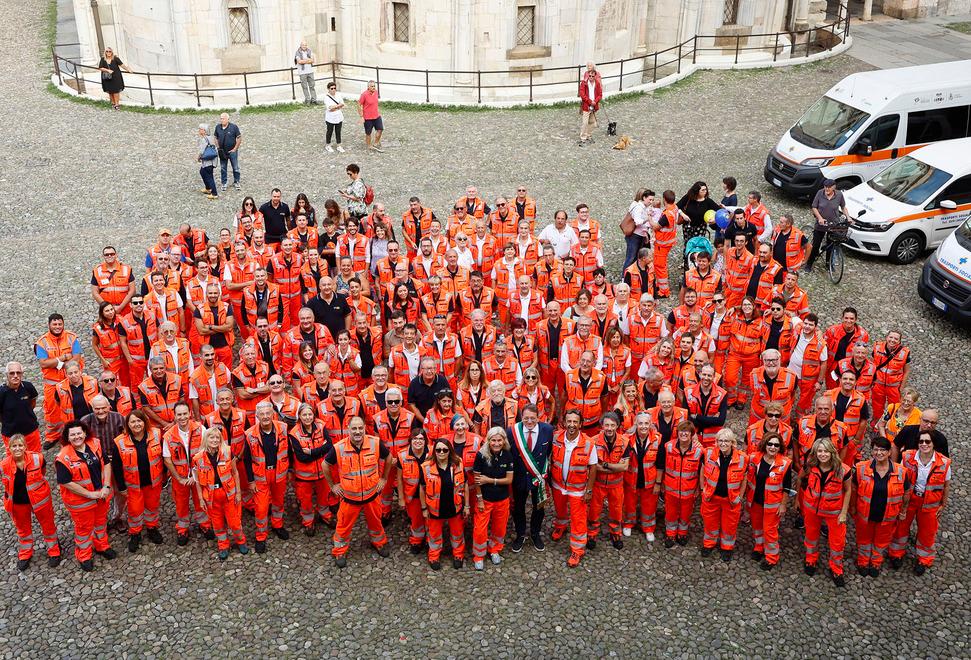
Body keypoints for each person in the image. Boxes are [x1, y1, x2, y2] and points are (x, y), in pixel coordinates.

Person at [323, 416, 392, 568]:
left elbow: (389, 458)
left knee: (376, 522)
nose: (357, 431)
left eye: (360, 428)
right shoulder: (339, 448)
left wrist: (384, 479)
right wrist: (333, 485)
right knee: (343, 526)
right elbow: (325, 465)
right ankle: (339, 550)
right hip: (349, 498)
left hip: (371, 495)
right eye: (354, 428)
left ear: (364, 428)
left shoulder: (375, 443)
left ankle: (379, 543)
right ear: (348, 430)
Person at [55, 421, 116, 571]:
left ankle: (102, 546)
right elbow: (66, 482)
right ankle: (84, 555)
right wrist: (90, 494)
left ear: (84, 433)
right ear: (67, 437)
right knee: (84, 529)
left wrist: (107, 485)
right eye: (73, 434)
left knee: (101, 523)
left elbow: (106, 464)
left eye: (79, 433)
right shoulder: (63, 457)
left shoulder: (95, 444)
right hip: (80, 502)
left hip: (101, 495)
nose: (77, 437)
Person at [889, 430, 951, 575]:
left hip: (930, 503)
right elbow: (901, 478)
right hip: (909, 499)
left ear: (934, 444)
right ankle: (896, 554)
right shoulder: (907, 456)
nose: (924, 444)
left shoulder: (944, 463)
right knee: (901, 527)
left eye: (927, 441)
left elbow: (946, 485)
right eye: (921, 441)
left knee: (927, 533)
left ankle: (924, 559)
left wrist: (943, 504)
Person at [851, 436, 911, 578]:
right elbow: (853, 489)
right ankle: (863, 562)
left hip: (888, 515)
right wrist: (852, 508)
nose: (879, 453)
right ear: (871, 451)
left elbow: (906, 493)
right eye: (876, 449)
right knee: (863, 539)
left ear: (889, 452)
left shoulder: (901, 471)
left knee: (882, 540)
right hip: (865, 514)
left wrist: (903, 511)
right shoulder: (861, 469)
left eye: (883, 450)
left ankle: (876, 562)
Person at [1, 433, 62, 570]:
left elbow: (43, 472)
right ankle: (25, 553)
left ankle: (54, 551)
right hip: (18, 503)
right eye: (14, 446)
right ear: (9, 448)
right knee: (23, 529)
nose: (17, 448)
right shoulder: (3, 465)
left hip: (40, 500)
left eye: (20, 445)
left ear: (25, 446)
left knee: (48, 526)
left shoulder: (37, 458)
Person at [111, 410, 165, 553]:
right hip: (133, 485)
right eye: (133, 421)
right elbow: (116, 466)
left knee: (152, 507)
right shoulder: (119, 442)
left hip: (153, 482)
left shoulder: (156, 434)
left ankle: (152, 528)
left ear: (144, 422)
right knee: (134, 511)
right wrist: (121, 486)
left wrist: (164, 476)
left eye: (139, 421)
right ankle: (135, 533)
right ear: (127, 425)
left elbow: (163, 457)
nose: (137, 424)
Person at [800, 438, 851, 587]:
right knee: (811, 537)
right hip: (812, 509)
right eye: (819, 451)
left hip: (834, 512)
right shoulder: (810, 466)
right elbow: (800, 479)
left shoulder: (843, 470)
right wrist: (801, 499)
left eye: (826, 451)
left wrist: (843, 512)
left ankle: (836, 569)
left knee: (837, 542)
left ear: (832, 452)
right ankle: (810, 560)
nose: (823, 454)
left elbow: (848, 491)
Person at [550, 409, 597, 567]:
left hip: (578, 489)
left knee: (578, 519)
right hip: (558, 485)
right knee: (560, 510)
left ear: (580, 424)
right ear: (564, 422)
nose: (571, 425)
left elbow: (593, 467)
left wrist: (589, 490)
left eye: (575, 422)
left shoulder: (589, 443)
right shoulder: (556, 437)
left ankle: (577, 549)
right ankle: (560, 526)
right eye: (569, 421)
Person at [193, 427, 248, 561]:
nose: (214, 440)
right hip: (211, 497)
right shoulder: (198, 458)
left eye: (217, 437)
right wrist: (200, 499)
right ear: (206, 439)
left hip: (228, 494)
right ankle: (223, 545)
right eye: (211, 437)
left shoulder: (228, 452)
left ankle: (241, 542)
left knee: (235, 523)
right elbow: (197, 481)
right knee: (217, 524)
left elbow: (235, 473)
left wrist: (238, 493)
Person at [242, 401, 290, 553]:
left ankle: (278, 525)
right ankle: (261, 536)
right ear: (257, 416)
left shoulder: (283, 428)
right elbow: (247, 459)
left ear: (273, 414)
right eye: (261, 414)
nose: (265, 417)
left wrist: (290, 471)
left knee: (278, 502)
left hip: (279, 473)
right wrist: (250, 481)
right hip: (260, 477)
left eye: (268, 413)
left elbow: (290, 450)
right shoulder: (249, 434)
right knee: (261, 508)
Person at [163, 402, 210, 545]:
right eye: (179, 414)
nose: (182, 417)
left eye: (184, 414)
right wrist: (179, 478)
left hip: (198, 476)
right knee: (181, 504)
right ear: (174, 416)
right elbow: (167, 460)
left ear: (189, 413)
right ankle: (182, 528)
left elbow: (205, 452)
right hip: (180, 478)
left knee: (201, 501)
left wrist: (195, 475)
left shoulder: (201, 429)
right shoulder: (168, 436)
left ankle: (205, 525)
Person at [34, 313, 84, 448]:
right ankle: (52, 436)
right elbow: (44, 363)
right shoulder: (42, 342)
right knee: (51, 411)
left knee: (73, 407)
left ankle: (75, 432)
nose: (57, 327)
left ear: (63, 324)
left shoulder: (72, 338)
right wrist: (62, 358)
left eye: (59, 324)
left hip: (70, 380)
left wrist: (57, 363)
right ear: (49, 325)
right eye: (54, 324)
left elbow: (77, 357)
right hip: (52, 382)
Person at [700, 428, 748, 561]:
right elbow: (702, 470)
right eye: (720, 441)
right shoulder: (708, 453)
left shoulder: (743, 458)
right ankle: (709, 544)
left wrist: (741, 496)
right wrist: (702, 489)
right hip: (711, 497)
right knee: (710, 523)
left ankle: (727, 547)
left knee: (730, 526)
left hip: (731, 499)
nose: (723, 444)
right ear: (716, 442)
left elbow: (745, 478)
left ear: (732, 442)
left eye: (726, 441)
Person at [746, 431, 792, 570]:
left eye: (776, 445)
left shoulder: (785, 463)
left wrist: (783, 505)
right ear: (765, 444)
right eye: (770, 444)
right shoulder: (754, 458)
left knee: (770, 531)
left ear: (780, 448)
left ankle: (771, 557)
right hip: (755, 501)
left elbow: (787, 487)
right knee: (757, 527)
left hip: (773, 504)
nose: (772, 447)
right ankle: (759, 547)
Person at [470, 427, 514, 570]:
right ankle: (478, 555)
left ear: (503, 440)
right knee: (480, 529)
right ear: (488, 441)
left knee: (499, 528)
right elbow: (477, 480)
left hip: (502, 499)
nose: (496, 443)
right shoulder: (481, 455)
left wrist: (489, 480)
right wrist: (480, 499)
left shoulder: (507, 454)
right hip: (485, 499)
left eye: (499, 440)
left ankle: (494, 549)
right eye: (493, 440)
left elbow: (509, 480)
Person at [420, 438, 468, 570]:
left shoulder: (458, 464)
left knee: (457, 534)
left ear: (450, 451)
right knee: (434, 536)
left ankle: (458, 555)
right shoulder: (426, 467)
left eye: (445, 450)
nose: (441, 452)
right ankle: (434, 556)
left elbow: (465, 485)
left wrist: (467, 506)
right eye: (438, 449)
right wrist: (424, 508)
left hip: (455, 507)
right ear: (434, 451)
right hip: (435, 509)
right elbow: (422, 488)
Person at [587, 412, 630, 550]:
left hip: (616, 485)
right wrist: (614, 468)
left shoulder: (625, 442)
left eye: (612, 425)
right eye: (607, 425)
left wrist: (604, 465)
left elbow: (624, 466)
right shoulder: (593, 441)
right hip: (598, 484)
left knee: (617, 511)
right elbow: (593, 466)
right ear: (602, 426)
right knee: (594, 510)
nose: (609, 428)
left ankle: (615, 533)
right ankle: (592, 534)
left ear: (617, 426)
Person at [658, 421, 704, 547]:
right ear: (677, 433)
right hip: (670, 489)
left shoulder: (699, 451)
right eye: (681, 431)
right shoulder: (668, 447)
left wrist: (699, 489)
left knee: (686, 513)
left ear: (692, 434)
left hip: (689, 491)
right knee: (670, 513)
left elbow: (702, 470)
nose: (684, 434)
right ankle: (670, 534)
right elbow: (662, 466)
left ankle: (682, 533)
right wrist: (661, 483)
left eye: (687, 432)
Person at [805, 179, 849, 271]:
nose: (827, 189)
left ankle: (828, 264)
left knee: (831, 245)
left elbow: (843, 207)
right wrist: (820, 218)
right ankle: (809, 264)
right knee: (816, 245)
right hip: (821, 224)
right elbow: (814, 207)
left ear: (834, 187)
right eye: (825, 187)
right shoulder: (820, 193)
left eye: (829, 187)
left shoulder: (839, 195)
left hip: (833, 224)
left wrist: (848, 217)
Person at [0, 362, 41, 453]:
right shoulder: (1, 392)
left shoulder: (28, 386)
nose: (15, 376)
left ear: (22, 374)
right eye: (12, 373)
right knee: (14, 462)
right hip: (11, 435)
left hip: (31, 432)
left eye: (18, 373)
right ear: (6, 375)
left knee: (35, 458)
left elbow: (32, 402)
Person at [214, 113, 242, 192]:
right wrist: (218, 147)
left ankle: (236, 182)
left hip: (232, 152)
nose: (221, 120)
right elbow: (215, 137)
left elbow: (239, 138)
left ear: (227, 119)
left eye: (223, 118)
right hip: (222, 152)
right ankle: (224, 183)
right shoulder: (218, 127)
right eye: (221, 118)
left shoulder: (234, 127)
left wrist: (235, 148)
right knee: (223, 168)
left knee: (235, 168)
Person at [577, 62, 602, 146]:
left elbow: (600, 94)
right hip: (586, 106)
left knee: (593, 123)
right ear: (588, 75)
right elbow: (582, 94)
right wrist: (590, 101)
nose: (591, 77)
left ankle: (588, 135)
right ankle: (583, 138)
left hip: (594, 106)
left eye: (592, 76)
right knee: (585, 123)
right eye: (589, 76)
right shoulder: (584, 83)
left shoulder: (597, 84)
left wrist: (595, 101)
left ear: (595, 76)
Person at [358, 80, 384, 152]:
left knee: (380, 129)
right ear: (368, 87)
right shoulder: (364, 95)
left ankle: (376, 143)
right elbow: (359, 104)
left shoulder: (376, 92)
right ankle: (369, 145)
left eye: (374, 86)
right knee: (368, 133)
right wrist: (361, 116)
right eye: (372, 86)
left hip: (376, 116)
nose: (373, 87)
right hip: (368, 118)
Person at [196, 124, 219, 200]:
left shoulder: (204, 139)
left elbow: (202, 151)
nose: (199, 130)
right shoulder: (211, 138)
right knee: (202, 171)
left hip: (208, 161)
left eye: (200, 129)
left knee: (209, 176)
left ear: (204, 131)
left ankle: (214, 193)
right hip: (212, 160)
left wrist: (198, 157)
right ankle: (208, 188)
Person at [324, 81, 346, 153]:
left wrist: (335, 107)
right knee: (329, 131)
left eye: (334, 88)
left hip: (339, 116)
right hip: (330, 118)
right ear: (328, 89)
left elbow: (342, 104)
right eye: (331, 88)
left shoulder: (338, 95)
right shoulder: (326, 98)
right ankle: (328, 145)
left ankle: (339, 145)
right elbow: (330, 108)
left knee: (338, 131)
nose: (333, 90)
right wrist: (338, 106)